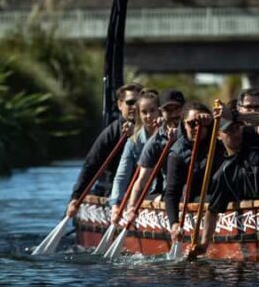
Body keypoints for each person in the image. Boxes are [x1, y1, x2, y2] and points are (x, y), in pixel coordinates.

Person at [190, 109, 259, 258]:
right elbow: (213, 211)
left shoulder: (254, 140)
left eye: (237, 128)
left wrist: (236, 116)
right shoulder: (223, 174)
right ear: (218, 135)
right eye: (230, 131)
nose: (236, 133)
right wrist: (204, 244)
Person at [66, 83, 141, 218]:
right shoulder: (110, 133)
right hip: (112, 191)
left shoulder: (153, 130)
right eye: (130, 102)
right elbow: (91, 165)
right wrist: (76, 197)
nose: (134, 107)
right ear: (120, 105)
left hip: (143, 191)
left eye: (138, 102)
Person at [164, 102, 220, 242]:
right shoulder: (177, 153)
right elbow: (171, 193)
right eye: (191, 124)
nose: (197, 127)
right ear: (183, 124)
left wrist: (213, 121)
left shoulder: (218, 142)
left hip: (221, 197)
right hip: (197, 200)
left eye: (201, 123)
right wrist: (174, 223)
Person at [124, 89, 185, 216]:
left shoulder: (195, 131)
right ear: (161, 112)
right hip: (173, 195)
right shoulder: (155, 142)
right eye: (169, 110)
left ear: (184, 109)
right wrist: (131, 207)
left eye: (177, 109)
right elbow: (141, 181)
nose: (174, 114)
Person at [108, 89, 160, 224]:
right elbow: (121, 177)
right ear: (139, 114)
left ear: (159, 111)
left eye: (152, 111)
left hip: (164, 193)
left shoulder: (170, 135)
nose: (149, 116)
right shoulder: (133, 141)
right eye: (144, 112)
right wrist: (115, 205)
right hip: (144, 194)